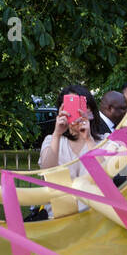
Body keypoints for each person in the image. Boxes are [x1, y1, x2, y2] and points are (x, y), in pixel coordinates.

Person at [39, 85, 101, 215]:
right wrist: (57, 133)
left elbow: (103, 175)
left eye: (83, 106)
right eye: (70, 106)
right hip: (58, 216)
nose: (77, 111)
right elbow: (47, 169)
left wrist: (88, 139)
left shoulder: (104, 141)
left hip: (96, 217)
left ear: (91, 112)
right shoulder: (52, 140)